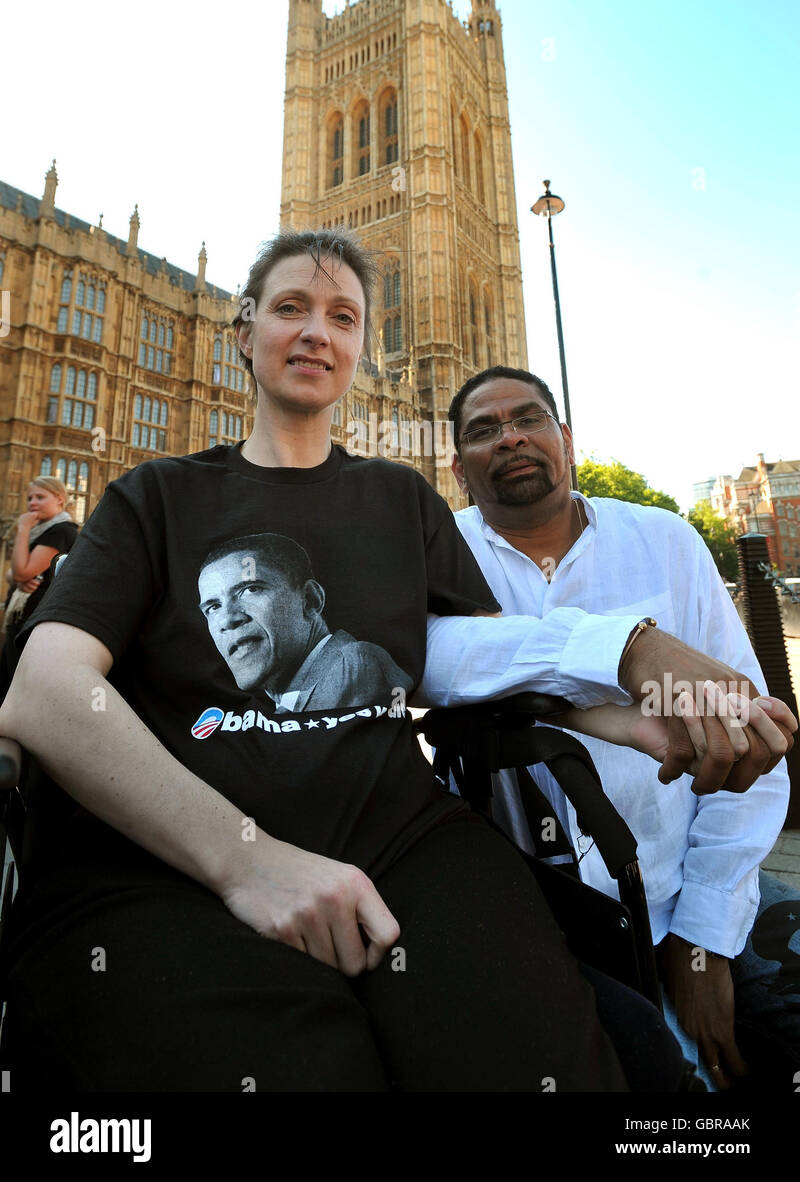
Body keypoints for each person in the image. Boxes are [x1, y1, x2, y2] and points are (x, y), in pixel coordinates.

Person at [0, 231, 787, 1094]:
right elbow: (44, 693)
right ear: (241, 331)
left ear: (364, 347)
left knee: (542, 1062)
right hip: (176, 865)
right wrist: (248, 859)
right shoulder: (154, 495)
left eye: (342, 316)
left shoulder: (401, 500)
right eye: (290, 307)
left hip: (402, 842)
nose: (315, 333)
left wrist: (616, 707)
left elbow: (472, 656)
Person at [432, 362, 798, 1091]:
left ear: (567, 439)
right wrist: (630, 646)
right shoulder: (438, 551)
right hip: (529, 916)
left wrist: (703, 939)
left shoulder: (665, 540)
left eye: (528, 419)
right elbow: (434, 658)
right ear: (457, 467)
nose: (510, 438)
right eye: (483, 430)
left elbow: (751, 761)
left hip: (681, 887)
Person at [198, 532, 410, 712]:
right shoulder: (294, 698)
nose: (227, 619)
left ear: (310, 600)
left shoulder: (353, 664)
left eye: (251, 589)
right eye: (213, 607)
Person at [0, 476, 78, 701]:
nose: (32, 503)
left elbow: (20, 572)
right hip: (20, 622)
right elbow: (13, 574)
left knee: (16, 692)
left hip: (32, 625)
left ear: (59, 500)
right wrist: (18, 576)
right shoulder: (44, 530)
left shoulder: (61, 531)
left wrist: (22, 529)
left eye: (40, 497)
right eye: (29, 498)